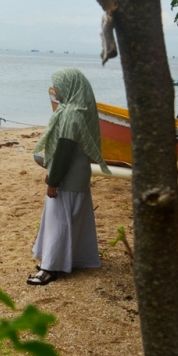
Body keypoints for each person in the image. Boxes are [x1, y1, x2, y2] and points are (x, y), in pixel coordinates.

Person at [28, 68, 109, 285]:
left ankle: (50, 268)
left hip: (68, 178)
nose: (55, 90)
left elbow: (64, 150)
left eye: (58, 85)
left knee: (59, 220)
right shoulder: (80, 109)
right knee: (74, 219)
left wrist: (54, 180)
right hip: (78, 174)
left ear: (70, 87)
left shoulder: (71, 114)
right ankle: (70, 259)